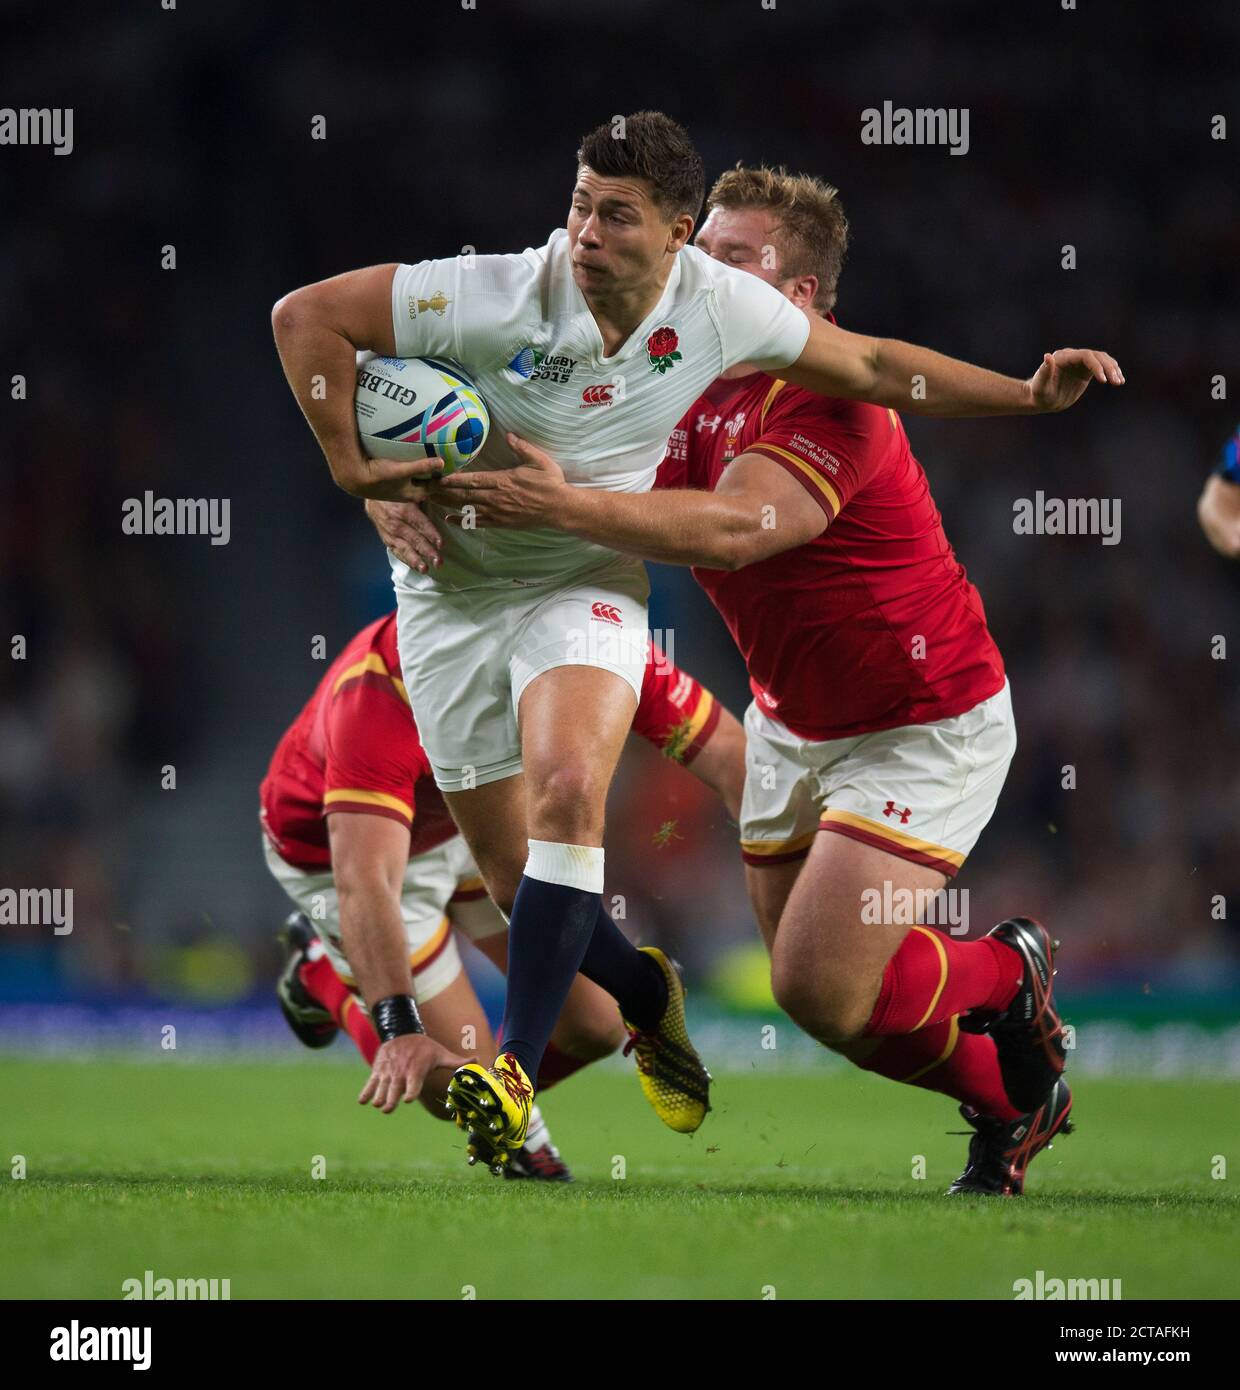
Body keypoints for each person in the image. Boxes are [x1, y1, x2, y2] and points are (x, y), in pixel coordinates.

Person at [271, 110, 1121, 1172]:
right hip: (791, 720)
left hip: (921, 719)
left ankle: (1007, 973)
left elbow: (736, 517)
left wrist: (1027, 396)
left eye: (724, 256)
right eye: (697, 248)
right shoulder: (663, 368)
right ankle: (1008, 1106)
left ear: (791, 295)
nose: (699, 274)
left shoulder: (823, 405)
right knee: (833, 1010)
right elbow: (423, 392)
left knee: (808, 973)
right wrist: (369, 480)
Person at [260, 607, 744, 1175]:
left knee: (596, 1024)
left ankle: (509, 1102)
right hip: (340, 855)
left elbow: (735, 759)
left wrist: (788, 868)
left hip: (471, 829)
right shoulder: (374, 696)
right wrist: (398, 1026)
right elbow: (367, 883)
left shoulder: (589, 643)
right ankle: (321, 973)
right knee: (444, 1087)